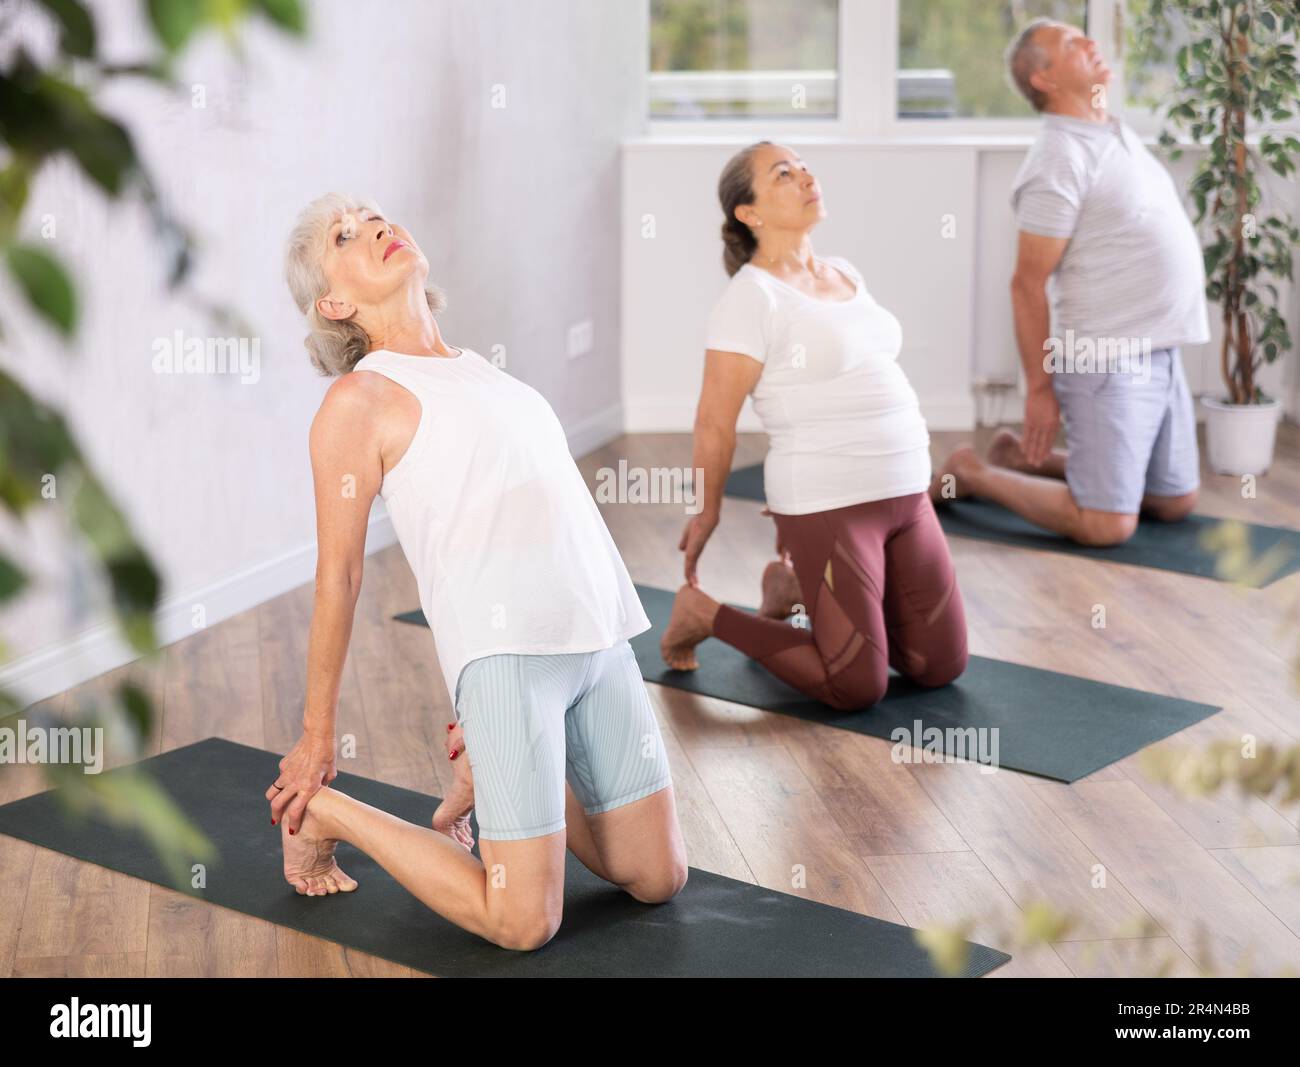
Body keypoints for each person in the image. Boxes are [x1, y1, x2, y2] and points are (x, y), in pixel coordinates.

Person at [271, 192, 686, 951]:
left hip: (600, 640)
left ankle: (500, 773)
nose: (377, 227)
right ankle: (331, 814)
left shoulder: (491, 377)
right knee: (524, 922)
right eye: (346, 234)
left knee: (657, 876)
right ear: (333, 303)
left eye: (376, 216)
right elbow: (339, 578)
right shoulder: (357, 401)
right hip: (507, 662)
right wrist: (315, 738)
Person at [659, 144, 969, 711]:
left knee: (938, 665)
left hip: (907, 495)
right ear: (748, 214)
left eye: (803, 166)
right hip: (831, 499)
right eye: (783, 173)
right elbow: (714, 420)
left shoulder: (845, 272)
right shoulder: (749, 299)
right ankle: (704, 614)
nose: (805, 175)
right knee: (856, 686)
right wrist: (707, 510)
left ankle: (794, 587)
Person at [931, 19, 1208, 546]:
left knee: (1175, 501)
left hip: (1159, 350)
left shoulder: (1110, 129)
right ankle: (975, 474)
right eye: (1072, 45)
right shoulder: (1058, 158)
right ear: (1044, 79)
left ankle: (1020, 459)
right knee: (1106, 525)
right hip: (1105, 357)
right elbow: (1026, 284)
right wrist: (1039, 389)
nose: (1091, 44)